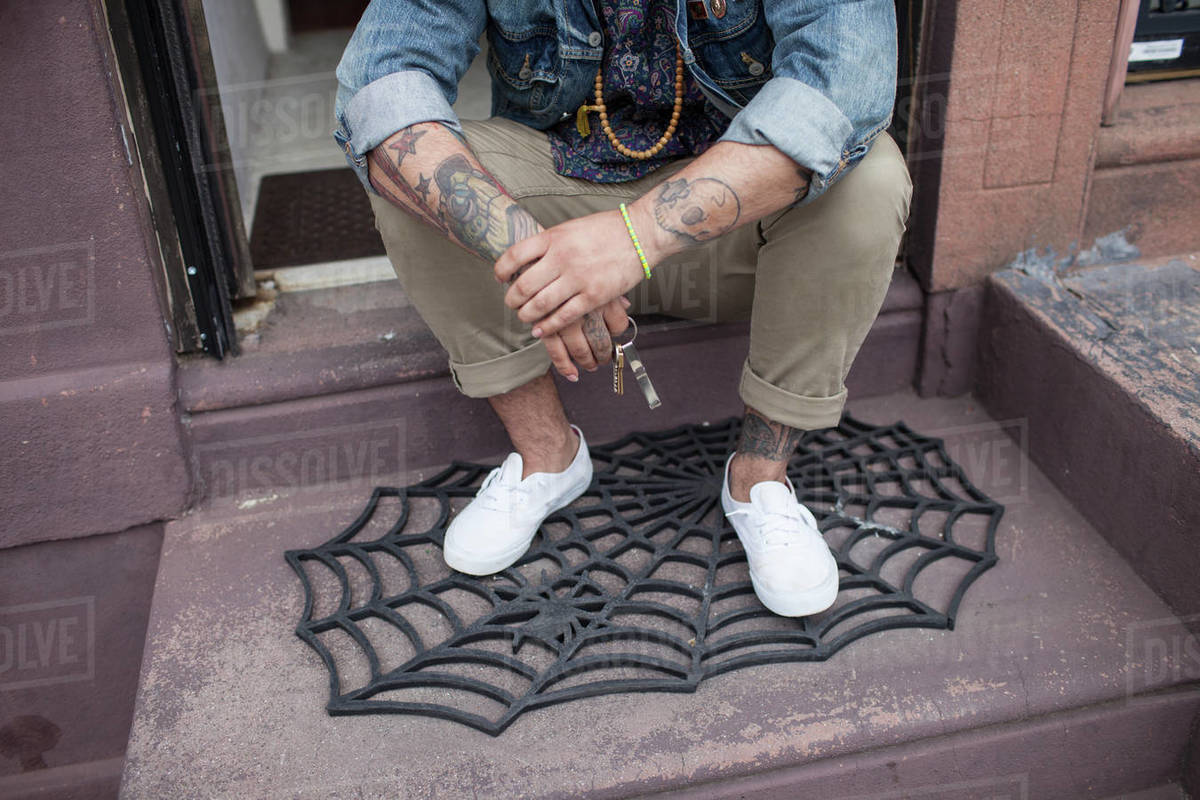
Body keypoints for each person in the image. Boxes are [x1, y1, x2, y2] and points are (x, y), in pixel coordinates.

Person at [334, 0, 912, 617]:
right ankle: (546, 456)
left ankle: (759, 480)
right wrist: (544, 264)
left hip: (735, 221)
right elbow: (383, 83)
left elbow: (843, 90)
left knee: (868, 174)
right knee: (409, 167)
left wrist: (633, 238)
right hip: (563, 197)